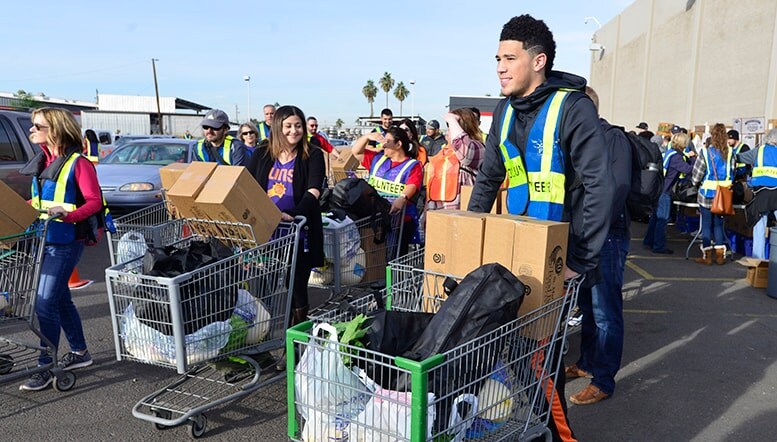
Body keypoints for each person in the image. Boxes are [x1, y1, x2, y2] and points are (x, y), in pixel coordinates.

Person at [467, 15, 613, 440]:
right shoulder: (505, 110)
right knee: (509, 357)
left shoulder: (572, 107)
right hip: (513, 252)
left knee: (538, 364)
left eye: (510, 58)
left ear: (539, 61)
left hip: (556, 260)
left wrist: (578, 262)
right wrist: (471, 234)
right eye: (497, 58)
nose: (500, 66)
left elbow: (599, 187)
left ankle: (558, 436)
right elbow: (489, 179)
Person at [18, 108, 107, 391]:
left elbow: (94, 202)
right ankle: (80, 352)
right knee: (59, 299)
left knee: (45, 302)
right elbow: (41, 200)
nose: (31, 130)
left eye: (38, 126)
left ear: (54, 130)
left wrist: (67, 215)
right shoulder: (43, 159)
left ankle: (47, 364)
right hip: (42, 240)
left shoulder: (78, 163)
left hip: (66, 241)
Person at [246, 105, 325, 370]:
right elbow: (248, 187)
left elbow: (314, 190)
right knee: (261, 289)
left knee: (296, 289)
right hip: (265, 233)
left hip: (298, 231)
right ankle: (261, 343)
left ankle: (296, 345)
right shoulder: (262, 154)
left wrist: (294, 213)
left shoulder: (312, 155)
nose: (294, 131)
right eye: (288, 126)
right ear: (278, 127)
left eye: (298, 125)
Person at [563, 86, 628, 407]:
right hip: (582, 239)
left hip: (606, 238)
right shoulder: (576, 143)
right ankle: (587, 362)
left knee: (605, 313)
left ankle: (603, 379)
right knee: (588, 307)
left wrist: (593, 232)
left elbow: (617, 189)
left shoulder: (611, 138)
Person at [352, 125, 422, 257]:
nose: (383, 145)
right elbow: (356, 151)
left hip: (399, 220)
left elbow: (412, 184)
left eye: (387, 142)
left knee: (396, 257)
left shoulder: (413, 165)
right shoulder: (377, 159)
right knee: (376, 258)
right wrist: (367, 137)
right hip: (375, 217)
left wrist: (402, 198)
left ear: (398, 144)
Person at [643, 133, 696, 254]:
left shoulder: (670, 153)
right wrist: (693, 159)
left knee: (656, 217)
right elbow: (688, 170)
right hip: (664, 191)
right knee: (663, 219)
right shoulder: (676, 157)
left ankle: (649, 241)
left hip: (658, 188)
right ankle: (658, 246)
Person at [691, 123, 734, 265]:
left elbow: (697, 175)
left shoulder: (705, 152)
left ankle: (707, 257)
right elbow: (732, 172)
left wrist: (695, 183)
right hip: (723, 194)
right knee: (719, 225)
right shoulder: (730, 153)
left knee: (707, 225)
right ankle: (721, 256)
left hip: (707, 194)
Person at [426, 108, 484, 211]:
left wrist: (452, 120)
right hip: (439, 212)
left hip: (462, 214)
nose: (448, 131)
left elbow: (466, 154)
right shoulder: (444, 152)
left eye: (452, 126)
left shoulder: (477, 147)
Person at [737, 128, 777, 259]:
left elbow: (740, 157)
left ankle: (757, 259)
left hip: (761, 194)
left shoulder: (758, 151)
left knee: (759, 226)